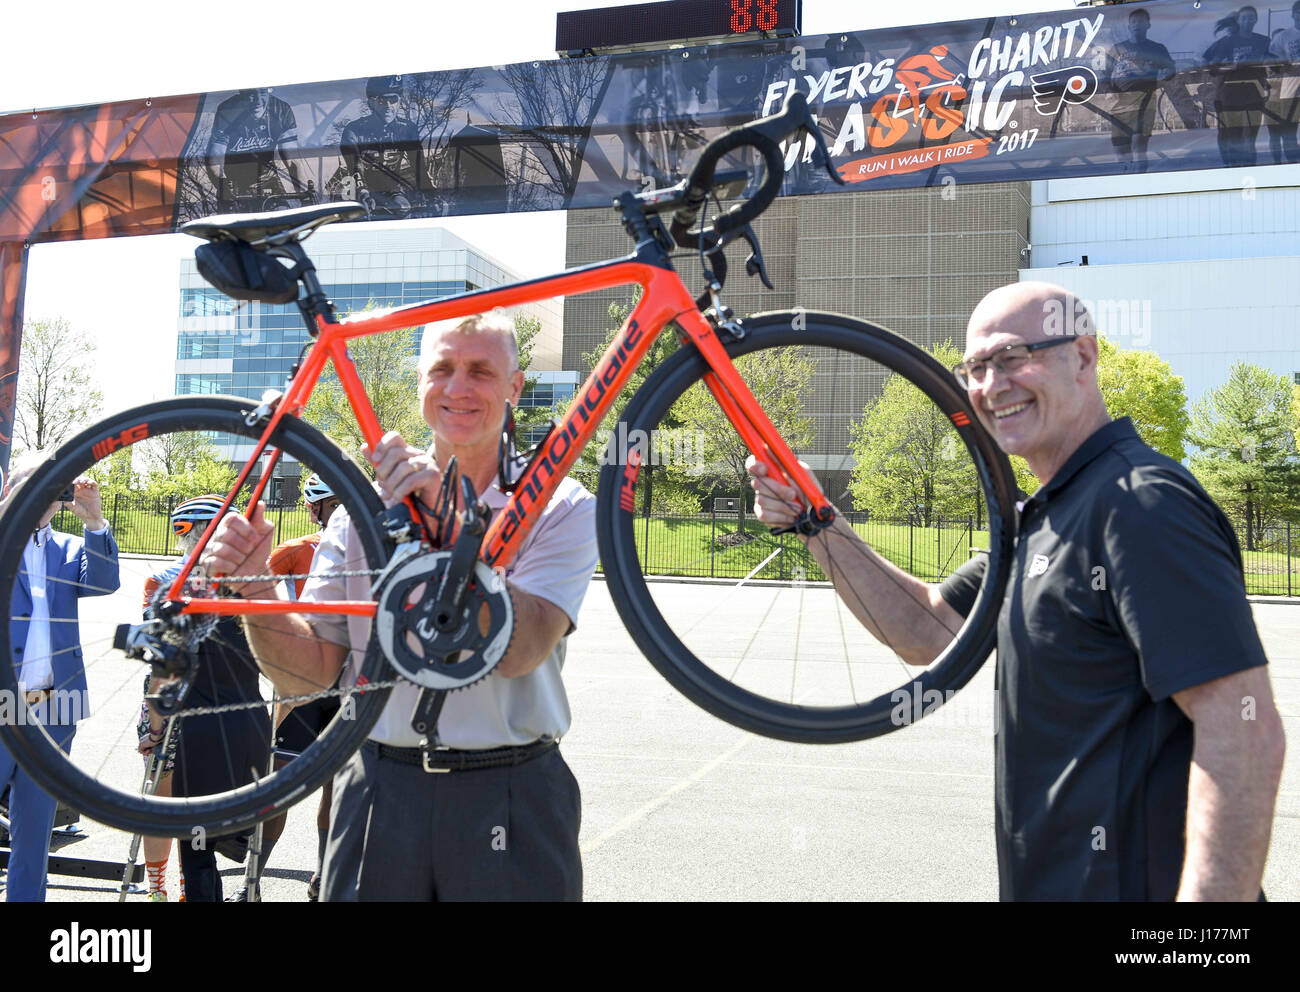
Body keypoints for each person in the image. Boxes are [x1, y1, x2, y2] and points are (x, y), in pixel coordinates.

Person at [747, 282, 1286, 901]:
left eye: (1012, 358)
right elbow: (929, 631)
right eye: (975, 368)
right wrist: (816, 522)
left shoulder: (1140, 503)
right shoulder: (1043, 517)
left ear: (1083, 358)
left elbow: (1244, 730)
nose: (990, 385)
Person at [203, 310, 598, 901]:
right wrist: (258, 593)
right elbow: (307, 674)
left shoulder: (560, 504)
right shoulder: (360, 514)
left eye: (481, 371)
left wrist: (452, 523)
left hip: (513, 791)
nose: (458, 387)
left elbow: (523, 649)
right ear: (420, 383)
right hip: (378, 787)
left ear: (515, 386)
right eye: (442, 368)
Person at [0, 453, 120, 901]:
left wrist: (94, 523)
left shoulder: (69, 548)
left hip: (53, 709)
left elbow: (104, 583)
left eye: (55, 485)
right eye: (33, 483)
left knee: (33, 837)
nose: (45, 493)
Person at [146, 495, 270, 903]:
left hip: (199, 729)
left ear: (199, 535)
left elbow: (162, 670)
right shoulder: (253, 590)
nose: (180, 542)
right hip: (251, 722)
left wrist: (154, 726)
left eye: (183, 531)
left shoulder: (180, 592)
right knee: (239, 836)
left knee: (196, 847)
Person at [261, 472, 343, 901]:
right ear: (315, 508)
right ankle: (255, 876)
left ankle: (324, 875)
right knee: (281, 784)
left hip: (348, 680)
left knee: (336, 786)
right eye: (333, 505)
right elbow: (256, 603)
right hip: (303, 680)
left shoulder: (372, 547)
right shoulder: (294, 551)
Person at [340, 76, 428, 217]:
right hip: (357, 190)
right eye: (382, 99)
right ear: (371, 103)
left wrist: (431, 193)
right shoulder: (354, 130)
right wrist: (363, 191)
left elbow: (419, 167)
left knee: (403, 207)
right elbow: (354, 165)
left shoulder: (407, 129)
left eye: (393, 99)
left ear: (399, 101)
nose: (388, 105)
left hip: (392, 192)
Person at [206, 87, 303, 209]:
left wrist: (303, 195)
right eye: (251, 94)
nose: (258, 100)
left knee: (282, 217)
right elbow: (214, 160)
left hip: (268, 180)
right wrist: (223, 187)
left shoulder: (281, 110)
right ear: (241, 93)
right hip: (233, 184)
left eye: (263, 92)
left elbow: (292, 160)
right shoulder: (227, 110)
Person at [1105, 8, 1176, 173]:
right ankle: (1124, 181)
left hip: (1145, 102)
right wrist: (1109, 91)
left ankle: (1139, 180)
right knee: (1120, 148)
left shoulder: (1157, 48)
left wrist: (1167, 73)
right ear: (1129, 26)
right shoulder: (1117, 49)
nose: (1137, 25)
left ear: (1148, 25)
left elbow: (1171, 70)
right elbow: (1104, 77)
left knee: (1139, 145)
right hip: (1119, 105)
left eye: (1141, 21)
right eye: (1134, 22)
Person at [1203, 6, 1274, 167]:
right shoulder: (1225, 42)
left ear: (1256, 20)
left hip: (1254, 94)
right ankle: (1231, 170)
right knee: (1230, 138)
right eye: (1244, 18)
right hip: (1228, 97)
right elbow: (1210, 67)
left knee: (1249, 140)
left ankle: (1249, 172)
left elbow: (1277, 64)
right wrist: (1232, 67)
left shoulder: (1263, 41)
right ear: (1238, 21)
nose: (1248, 21)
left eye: (1251, 17)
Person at [1266, 3, 1300, 164]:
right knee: (1289, 133)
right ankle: (1292, 165)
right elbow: (1272, 63)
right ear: (1293, 15)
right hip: (1290, 93)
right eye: (1298, 12)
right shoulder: (1284, 37)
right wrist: (1284, 65)